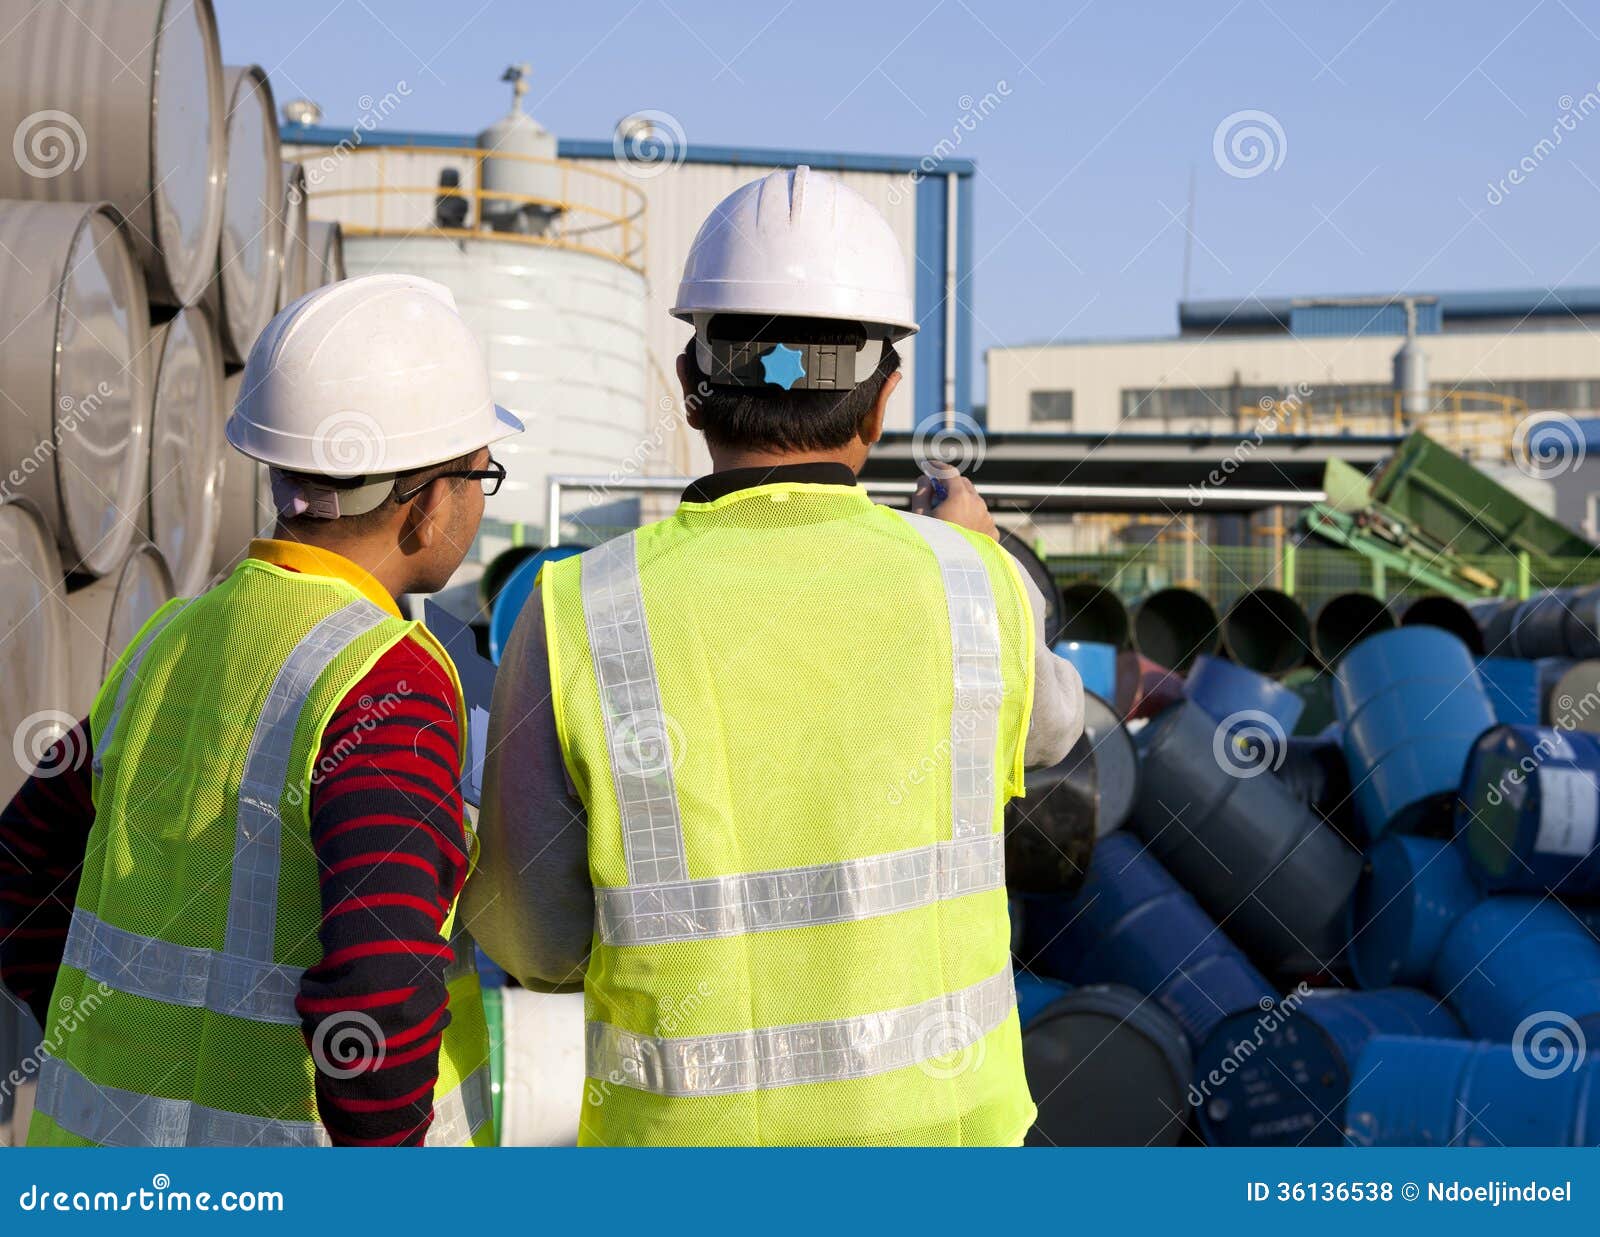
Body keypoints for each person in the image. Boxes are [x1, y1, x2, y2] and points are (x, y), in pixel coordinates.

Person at [467, 166, 1084, 1146]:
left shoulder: (574, 610)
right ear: (882, 402)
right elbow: (1057, 728)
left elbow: (531, 939)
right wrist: (985, 547)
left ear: (687, 389)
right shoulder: (975, 589)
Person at [0, 274, 520, 1147]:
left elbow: (21, 866)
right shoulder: (387, 680)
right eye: (481, 474)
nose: (477, 497)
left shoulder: (168, 638)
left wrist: (112, 1037)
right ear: (430, 503)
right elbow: (380, 992)